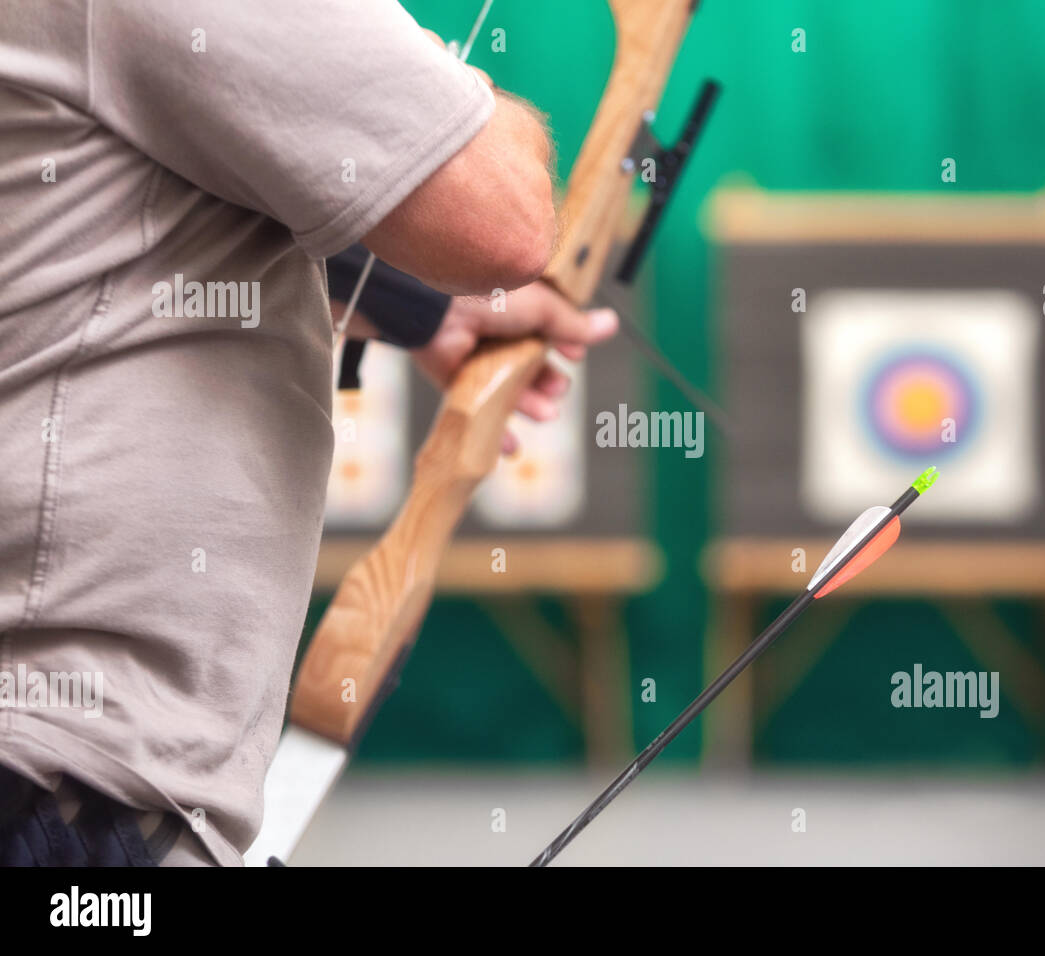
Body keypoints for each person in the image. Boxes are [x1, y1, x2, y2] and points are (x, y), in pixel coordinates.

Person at [0, 0, 614, 866]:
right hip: (58, 791)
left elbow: (101, 199)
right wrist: (437, 72)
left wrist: (418, 308)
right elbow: (503, 213)